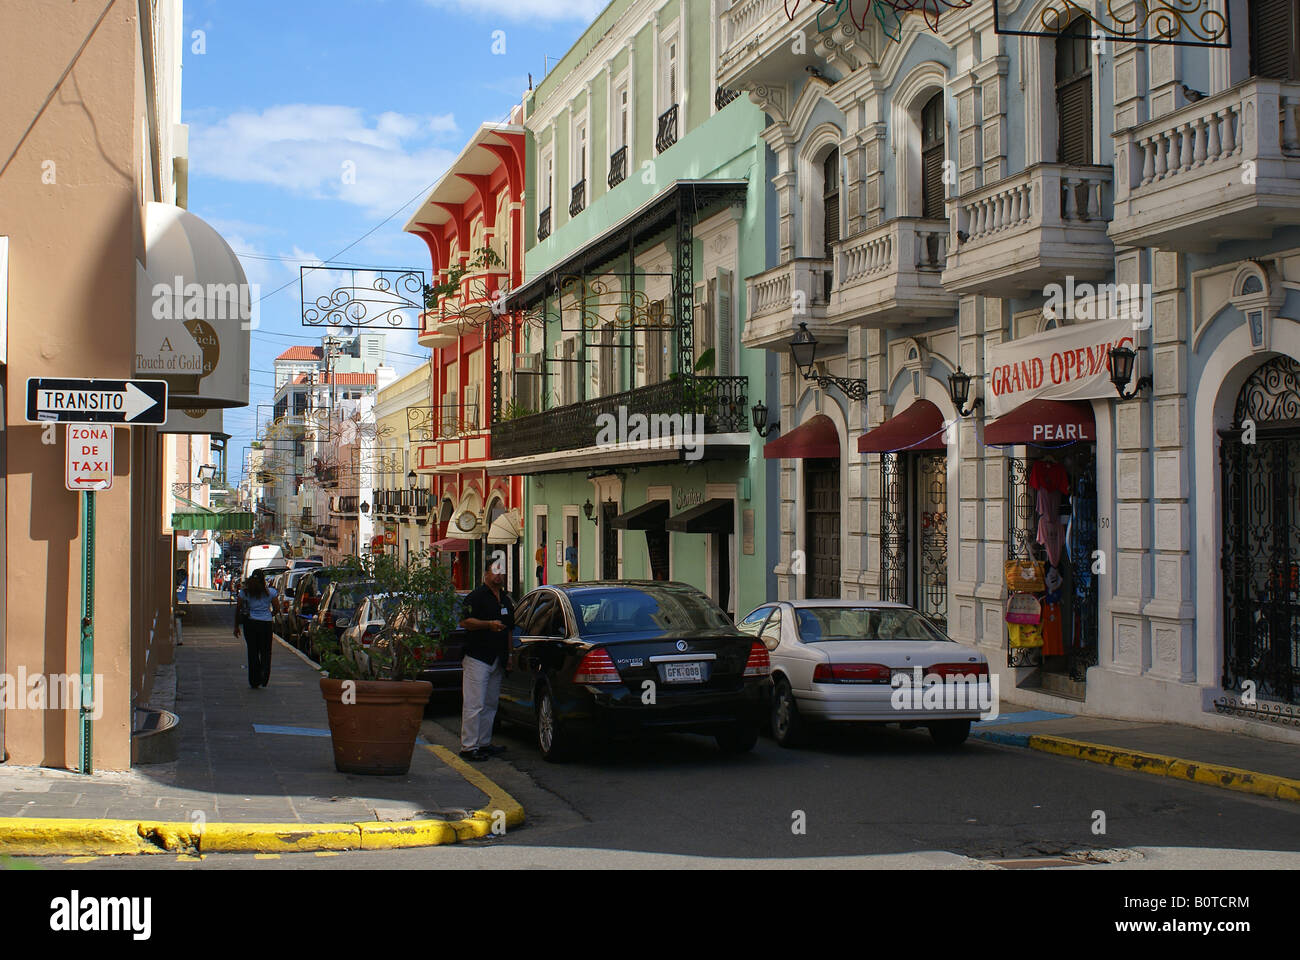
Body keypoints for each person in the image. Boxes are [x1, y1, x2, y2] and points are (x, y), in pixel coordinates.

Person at [457, 563, 515, 761]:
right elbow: (464, 622)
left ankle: (484, 743)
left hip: (497, 658)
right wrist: (488, 625)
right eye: (494, 571)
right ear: (486, 574)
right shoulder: (476, 597)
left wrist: (510, 656)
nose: (498, 575)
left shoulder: (506, 600)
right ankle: (468, 746)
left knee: (490, 704)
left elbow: (509, 629)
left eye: (501, 572)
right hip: (478, 657)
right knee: (475, 703)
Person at [234, 569, 277, 688]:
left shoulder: (245, 592)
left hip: (250, 623)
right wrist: (270, 615)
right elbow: (277, 608)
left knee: (252, 651)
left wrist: (236, 626)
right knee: (266, 651)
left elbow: (238, 609)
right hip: (266, 624)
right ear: (264, 579)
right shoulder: (270, 592)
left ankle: (254, 679)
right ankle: (264, 676)